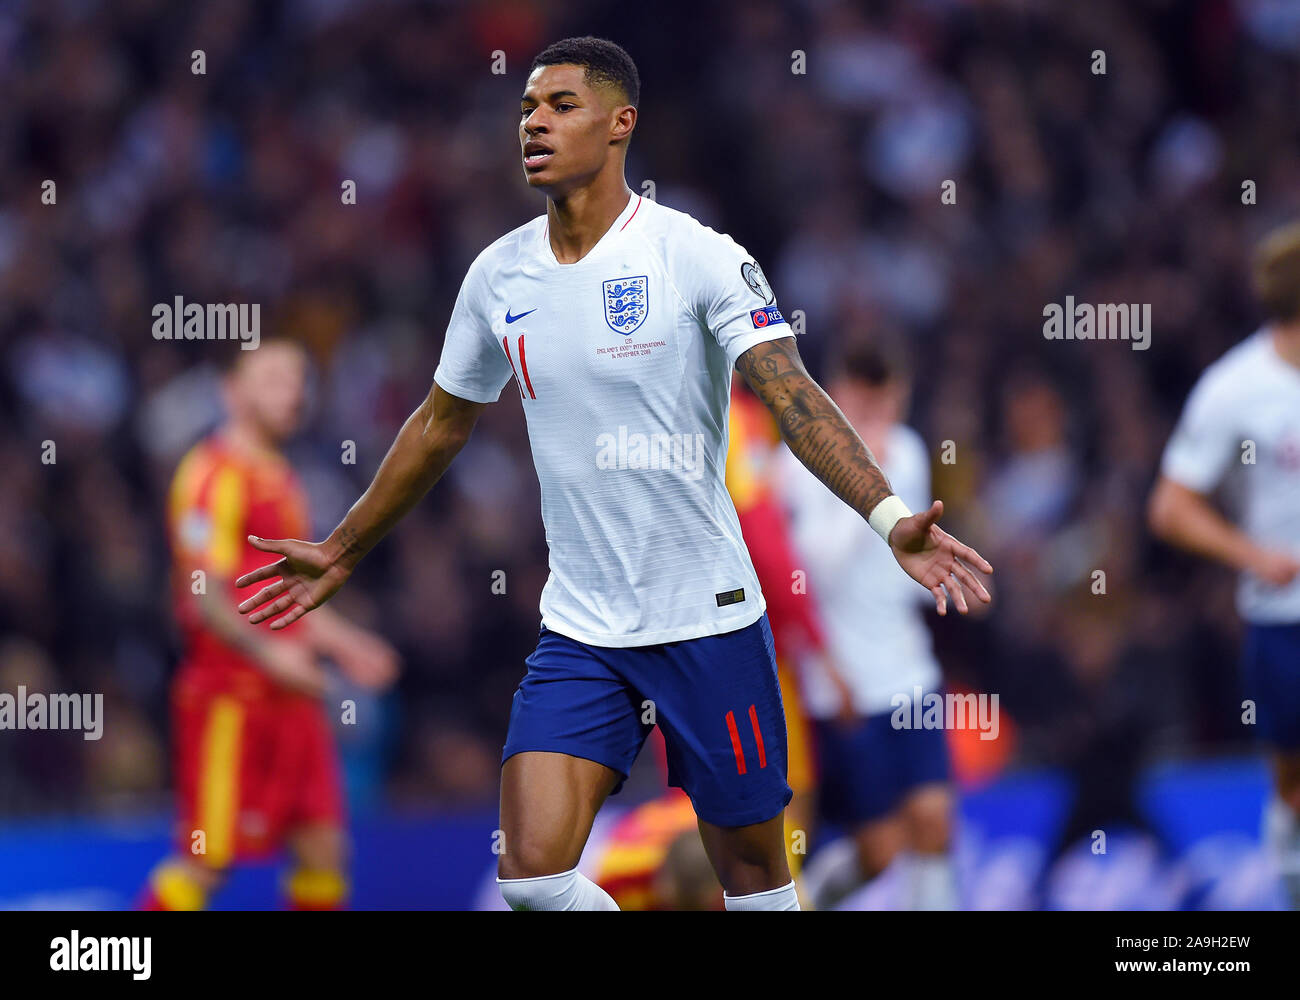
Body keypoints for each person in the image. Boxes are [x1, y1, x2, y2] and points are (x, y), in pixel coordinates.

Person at [234, 36, 992, 912]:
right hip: (584, 628)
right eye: (526, 108)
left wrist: (889, 515)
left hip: (708, 620)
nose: (534, 123)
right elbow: (440, 427)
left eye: (560, 106)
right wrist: (343, 547)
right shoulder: (496, 277)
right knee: (532, 878)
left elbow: (795, 399)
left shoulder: (695, 255)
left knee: (753, 877)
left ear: (619, 124)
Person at [139, 339, 398, 911]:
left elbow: (287, 594)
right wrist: (269, 654)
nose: (293, 392)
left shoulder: (282, 476)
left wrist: (348, 643)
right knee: (207, 861)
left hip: (293, 701)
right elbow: (200, 590)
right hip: (230, 700)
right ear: (232, 392)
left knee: (323, 851)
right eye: (274, 378)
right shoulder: (210, 475)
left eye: (299, 378)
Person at [1148, 221, 1300, 909]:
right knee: (1293, 781)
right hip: (1281, 620)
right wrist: (1253, 556)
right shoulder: (1235, 387)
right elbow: (1170, 507)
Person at [777, 339, 959, 910]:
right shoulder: (797, 463)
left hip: (907, 670)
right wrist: (866, 488)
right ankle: (811, 900)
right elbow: (812, 570)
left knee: (934, 821)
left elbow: (908, 566)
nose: (877, 411)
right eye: (863, 396)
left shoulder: (907, 449)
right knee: (879, 848)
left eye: (886, 396)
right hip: (843, 687)